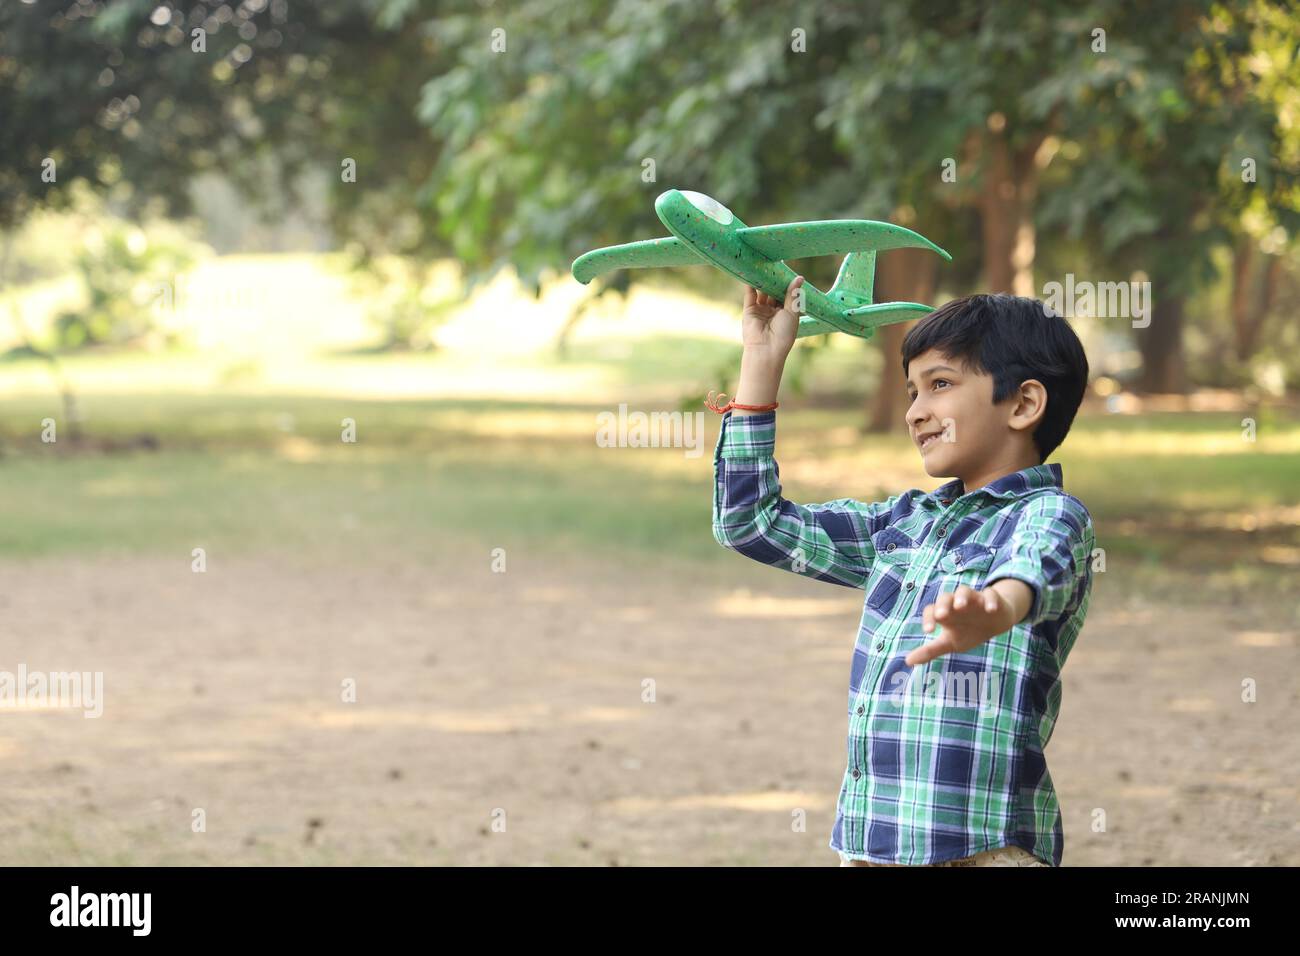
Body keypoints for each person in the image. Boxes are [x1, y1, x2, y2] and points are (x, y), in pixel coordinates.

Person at [710, 277, 1095, 867]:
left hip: (983, 848)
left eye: (940, 385)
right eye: (912, 391)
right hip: (872, 843)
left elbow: (1036, 564)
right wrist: (762, 364)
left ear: (1023, 404)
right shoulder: (903, 523)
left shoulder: (1048, 513)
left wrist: (998, 606)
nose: (915, 412)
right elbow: (751, 522)